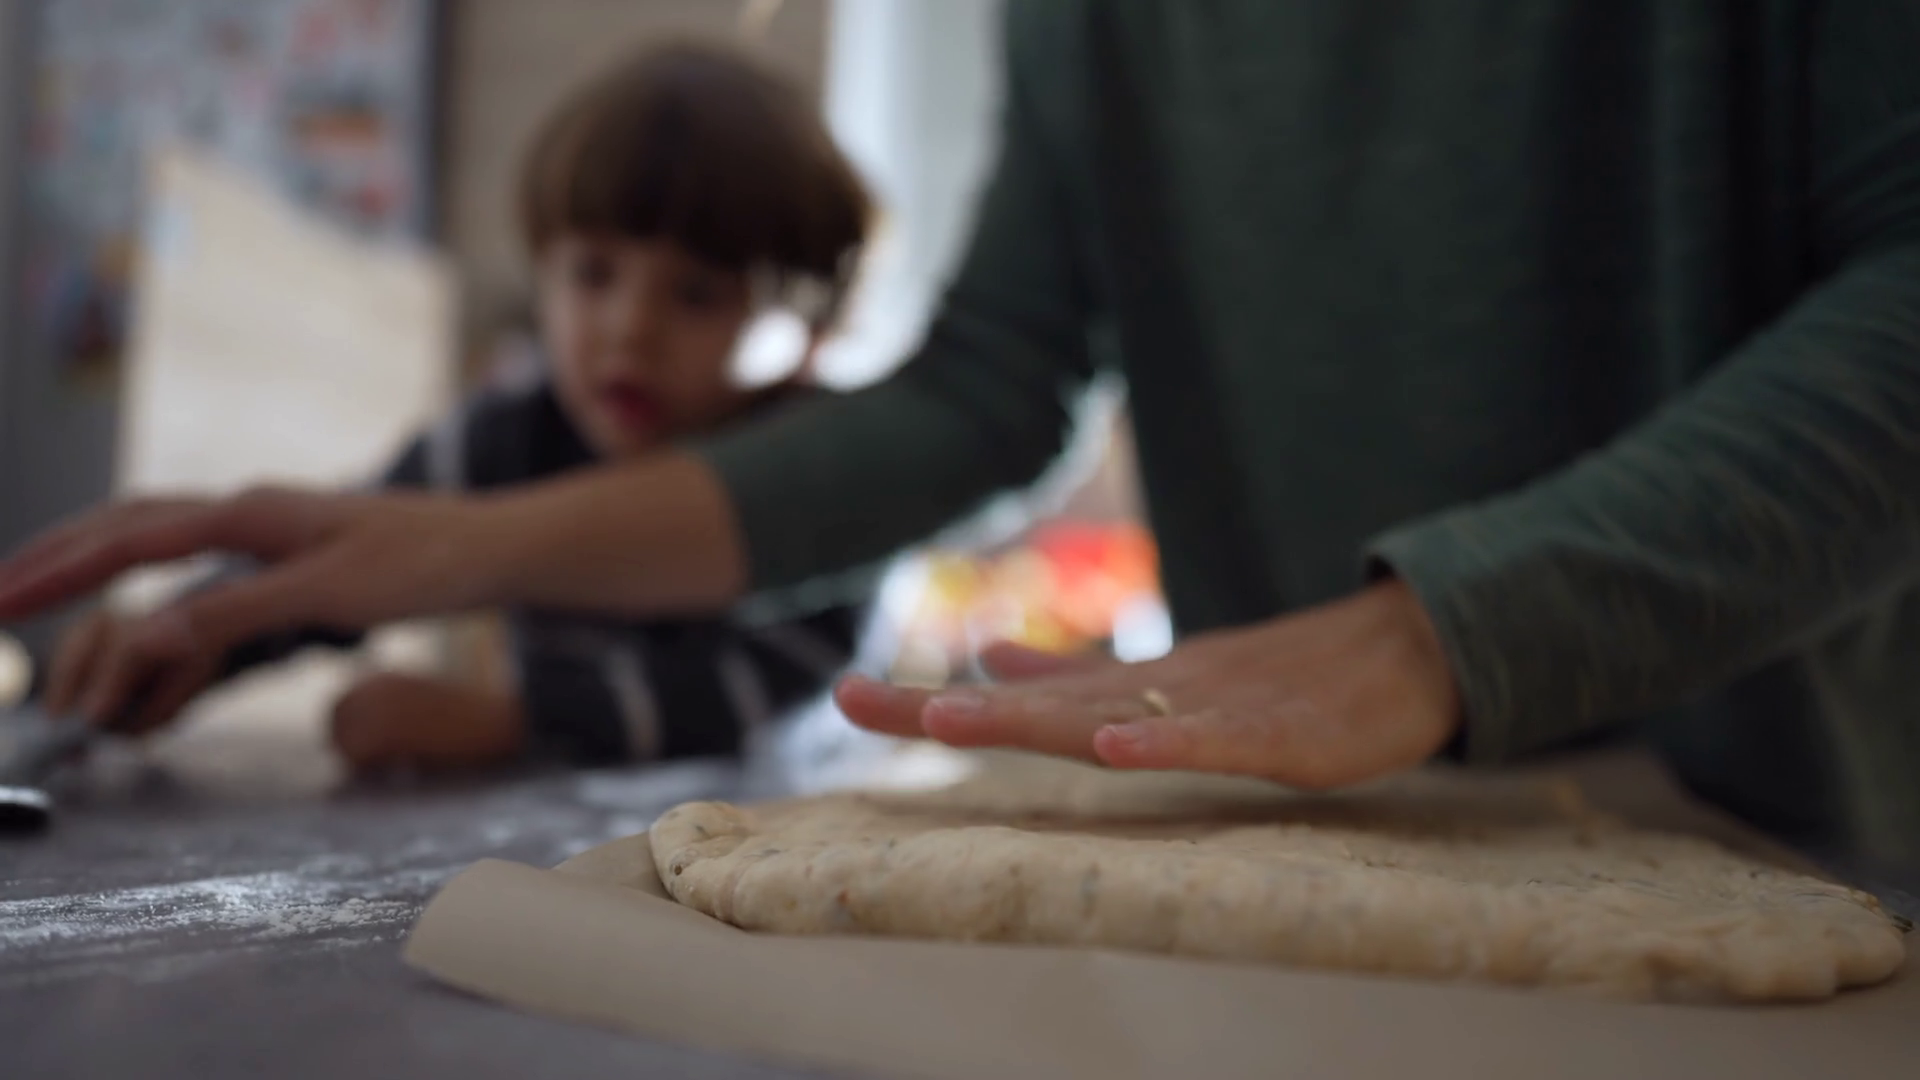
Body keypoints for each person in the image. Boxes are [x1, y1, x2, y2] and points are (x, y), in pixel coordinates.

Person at [4, 2, 1918, 867]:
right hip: (1324, 862)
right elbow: (995, 382)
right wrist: (440, 546)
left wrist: (1450, 627)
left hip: (1809, 836)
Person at [32, 40, 875, 772]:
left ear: (801, 333)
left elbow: (775, 684)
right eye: (592, 275)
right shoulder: (507, 436)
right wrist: (191, 640)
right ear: (541, 269)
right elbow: (339, 558)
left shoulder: (815, 471)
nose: (630, 329)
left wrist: (515, 721)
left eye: (696, 294)